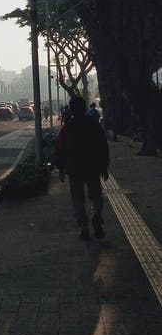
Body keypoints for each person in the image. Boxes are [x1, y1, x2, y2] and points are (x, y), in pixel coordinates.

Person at [55, 96, 109, 240]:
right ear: (85, 108)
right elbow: (103, 146)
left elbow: (60, 149)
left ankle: (84, 227)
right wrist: (104, 167)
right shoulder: (94, 124)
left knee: (78, 199)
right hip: (93, 167)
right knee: (96, 196)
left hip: (74, 169)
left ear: (71, 110)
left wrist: (60, 168)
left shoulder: (67, 127)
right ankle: (97, 216)